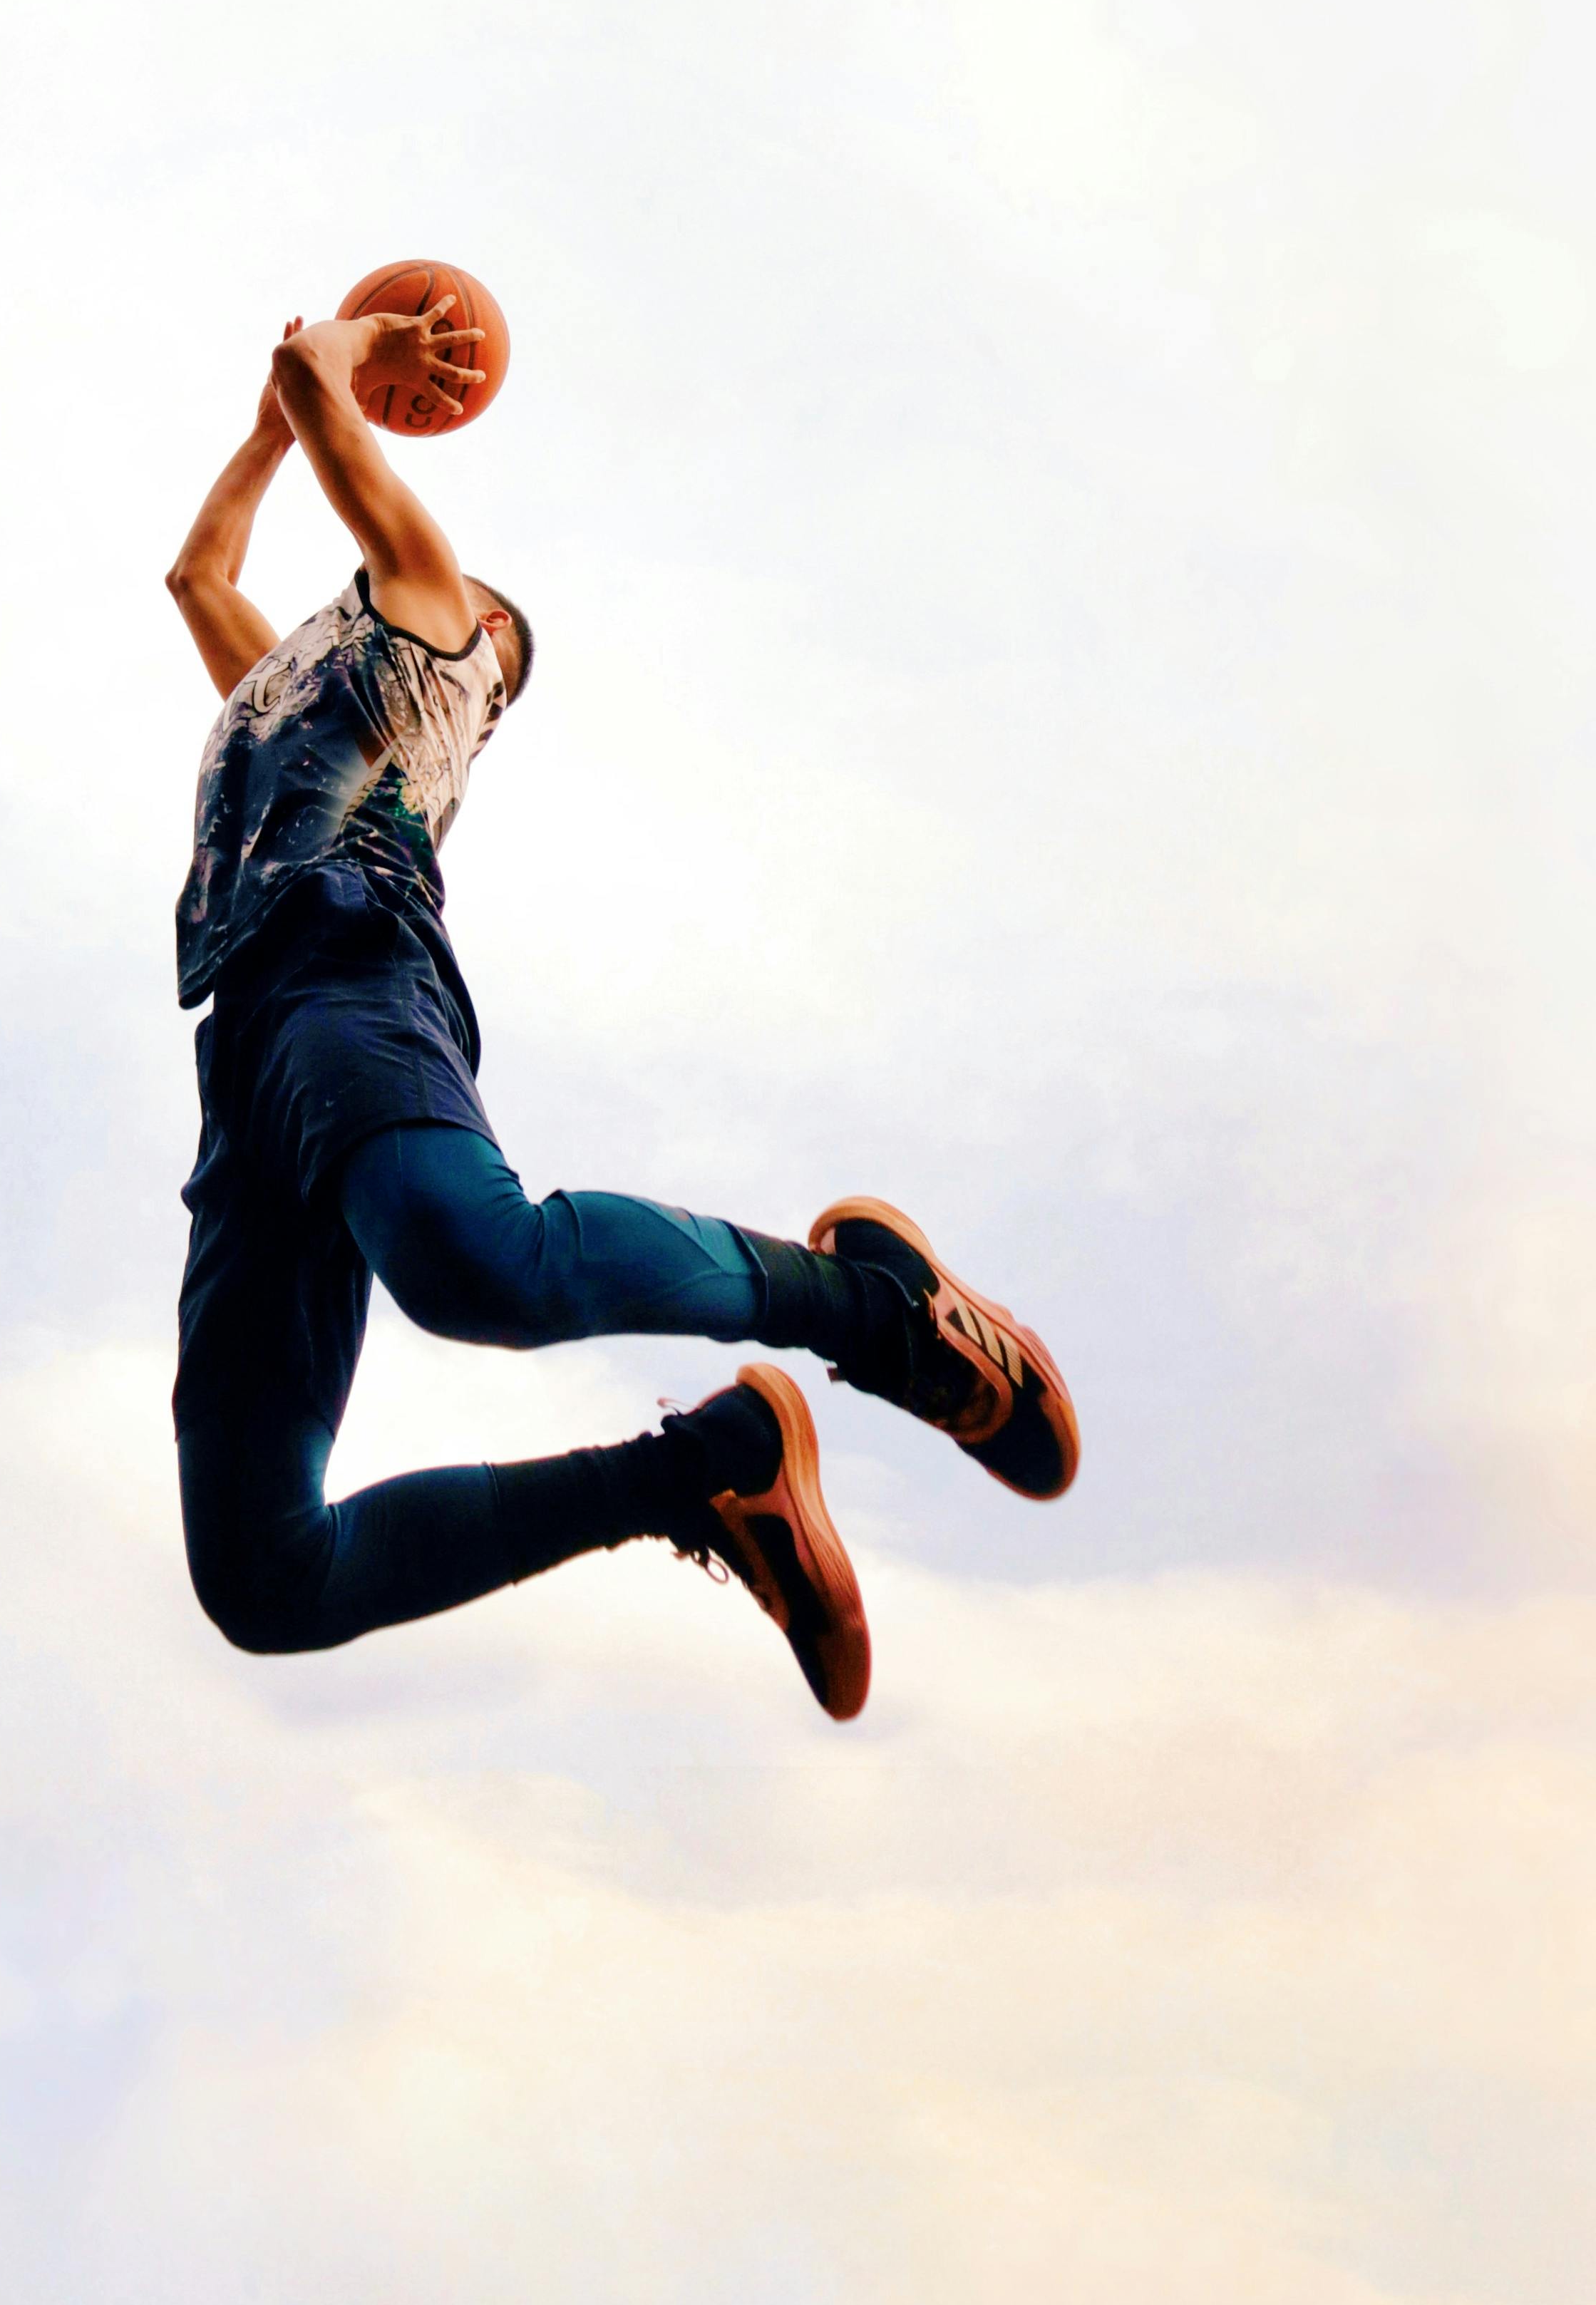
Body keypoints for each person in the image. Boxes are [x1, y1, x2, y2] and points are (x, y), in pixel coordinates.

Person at [165, 292, 1077, 1724]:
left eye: (492, 630)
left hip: (350, 971)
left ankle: (871, 1306)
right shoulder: (284, 695)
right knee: (262, 1577)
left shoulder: (424, 642)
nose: (478, 625)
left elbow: (309, 382)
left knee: (474, 1263)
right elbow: (196, 576)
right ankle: (704, 1471)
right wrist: (265, 432)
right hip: (249, 1068)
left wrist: (340, 363)